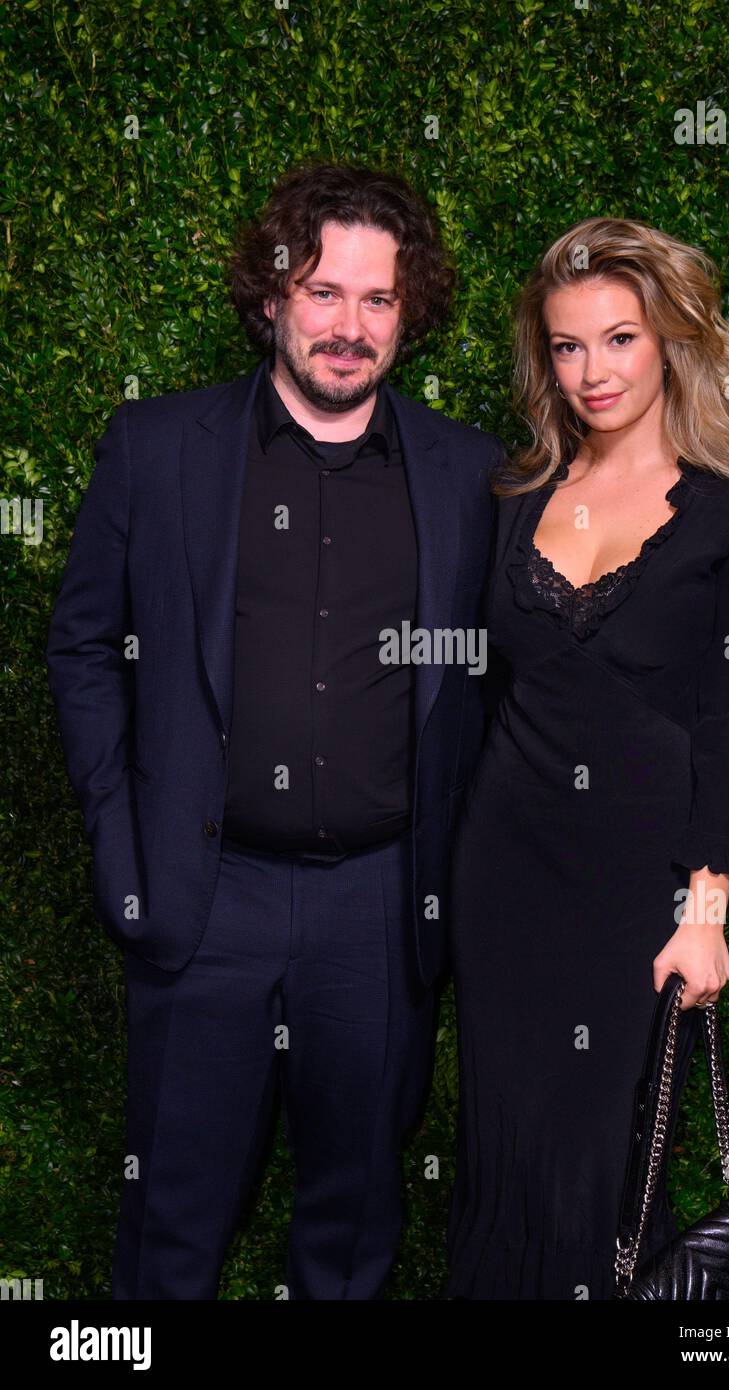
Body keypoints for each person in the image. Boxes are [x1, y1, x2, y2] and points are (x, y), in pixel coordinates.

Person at [45, 162, 499, 1299]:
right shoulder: (158, 448)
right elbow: (83, 644)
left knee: (351, 1232)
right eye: (322, 292)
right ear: (271, 299)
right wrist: (123, 851)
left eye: (377, 299)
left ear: (410, 311)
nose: (349, 327)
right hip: (206, 902)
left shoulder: (467, 476)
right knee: (171, 1227)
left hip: (381, 913)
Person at [446, 216, 729, 1300]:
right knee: (499, 1148)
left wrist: (706, 914)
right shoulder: (514, 498)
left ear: (669, 343)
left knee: (604, 1163)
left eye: (617, 339)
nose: (591, 370)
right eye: (566, 345)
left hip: (633, 890)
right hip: (501, 875)